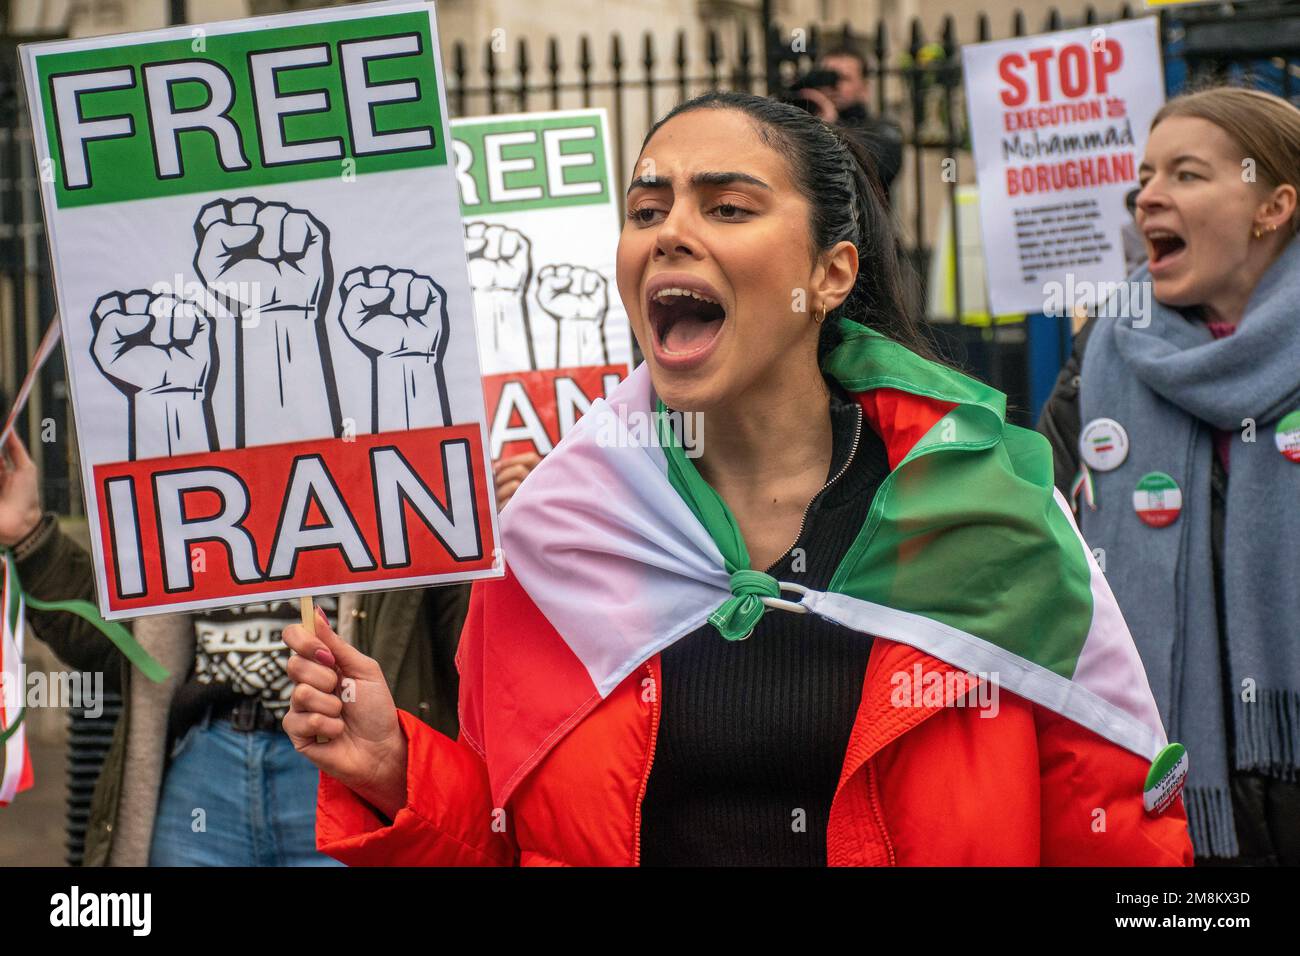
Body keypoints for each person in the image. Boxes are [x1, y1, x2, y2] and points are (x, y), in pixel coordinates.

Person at [284, 91, 1192, 867]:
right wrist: (399, 773)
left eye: (727, 208)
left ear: (831, 274)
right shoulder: (557, 533)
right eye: (647, 211)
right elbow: (509, 838)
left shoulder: (986, 512)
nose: (671, 232)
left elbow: (1110, 825)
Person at [0, 429, 536, 865]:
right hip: (202, 764)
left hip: (350, 770)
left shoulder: (402, 433)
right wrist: (28, 532)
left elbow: (471, 657)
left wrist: (505, 537)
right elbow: (110, 641)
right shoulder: (182, 443)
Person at [1038, 86, 1300, 865]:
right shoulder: (1106, 352)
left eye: (1186, 175)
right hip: (1170, 801)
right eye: (1145, 177)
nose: (1147, 195)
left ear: (1273, 206)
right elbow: (1036, 535)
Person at [819, 45, 903, 193]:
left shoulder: (883, 131)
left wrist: (829, 126)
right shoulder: (806, 122)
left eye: (843, 78)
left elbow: (873, 171)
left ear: (865, 88)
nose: (834, 86)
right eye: (827, 77)